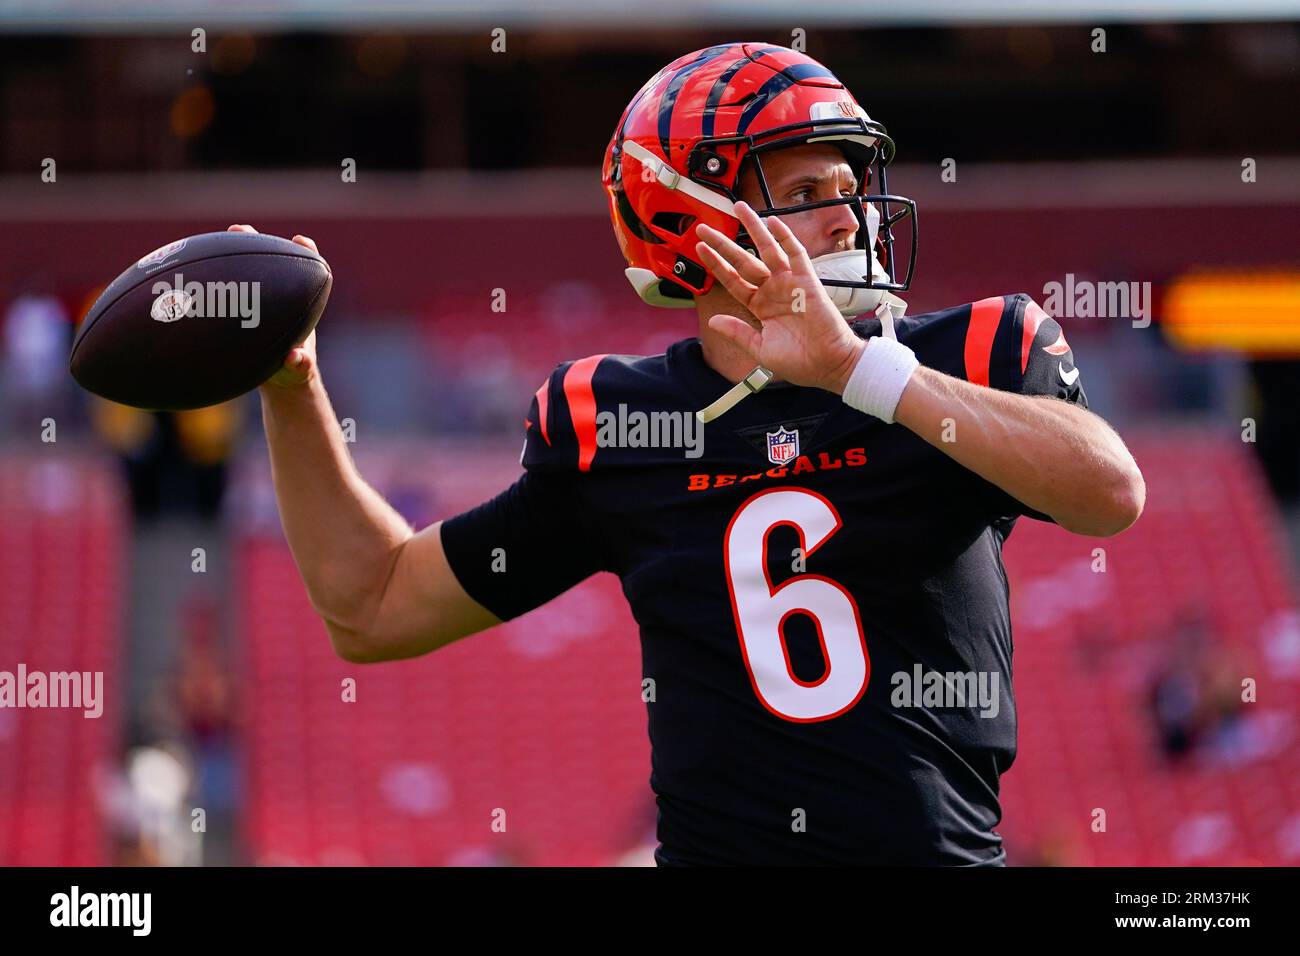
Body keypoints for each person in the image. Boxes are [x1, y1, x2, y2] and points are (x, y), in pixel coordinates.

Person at [244, 42, 1145, 865]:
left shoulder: (969, 355)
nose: (851, 219)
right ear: (689, 224)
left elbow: (1108, 491)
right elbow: (373, 605)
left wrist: (861, 374)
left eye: (850, 186)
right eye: (803, 195)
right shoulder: (622, 424)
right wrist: (293, 390)